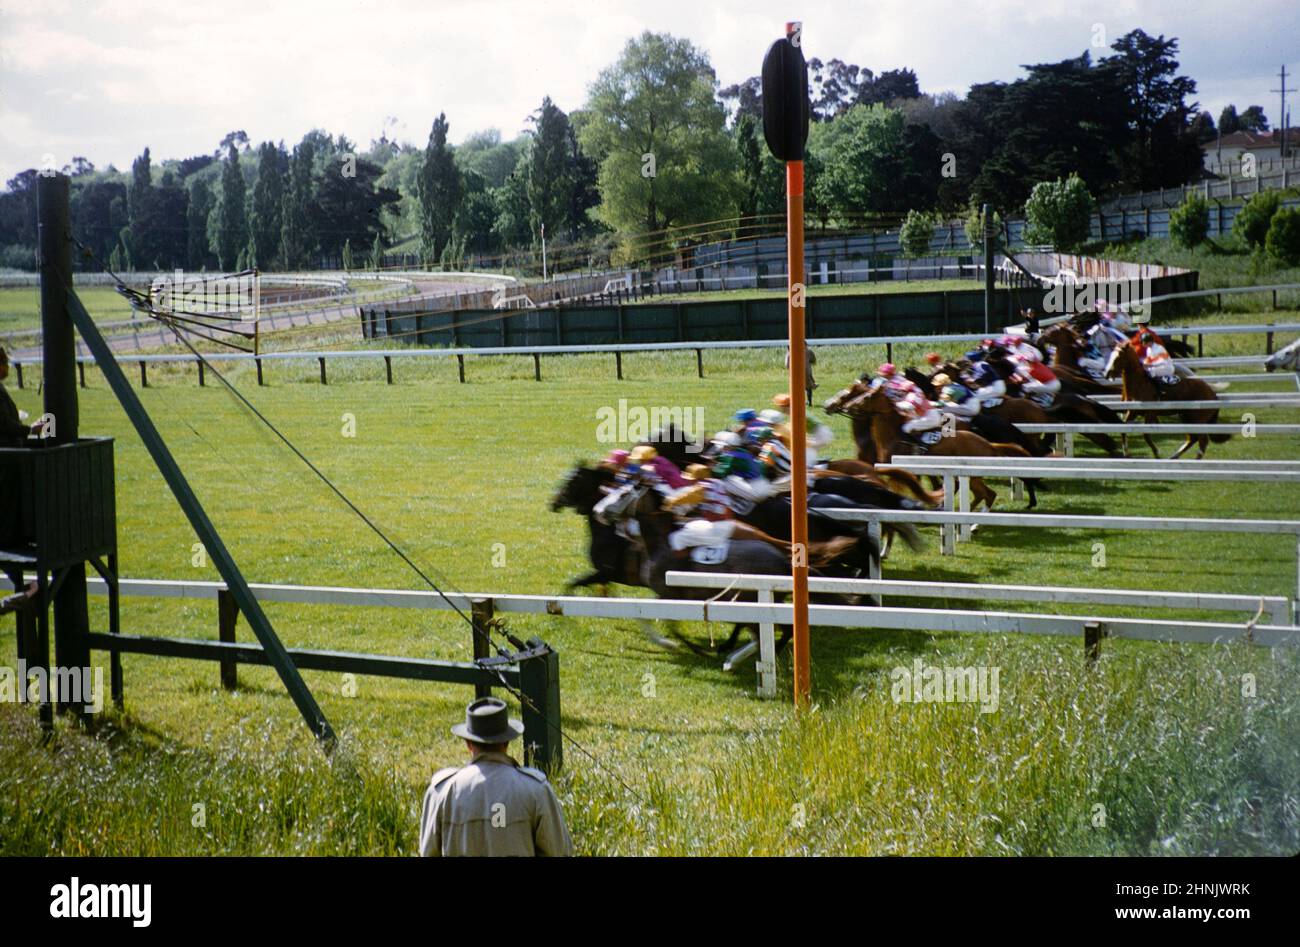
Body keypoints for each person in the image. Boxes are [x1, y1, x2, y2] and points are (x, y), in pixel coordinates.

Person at [419, 697, 573, 857]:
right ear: (506, 741)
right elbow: (559, 851)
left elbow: (428, 852)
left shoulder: (442, 792)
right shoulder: (535, 790)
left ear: (468, 743)